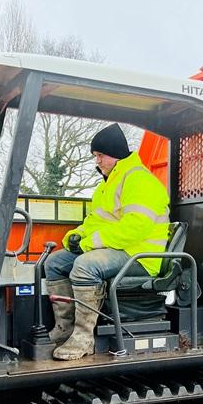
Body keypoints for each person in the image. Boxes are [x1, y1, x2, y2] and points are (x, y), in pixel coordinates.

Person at [44, 123, 170, 360]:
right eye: (95, 156)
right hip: (119, 249)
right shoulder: (108, 184)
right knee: (55, 262)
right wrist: (75, 237)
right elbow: (95, 222)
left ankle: (83, 338)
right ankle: (65, 329)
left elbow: (136, 227)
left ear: (116, 154)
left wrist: (89, 244)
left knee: (85, 266)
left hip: (141, 255)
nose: (97, 161)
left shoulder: (140, 180)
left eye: (100, 155)